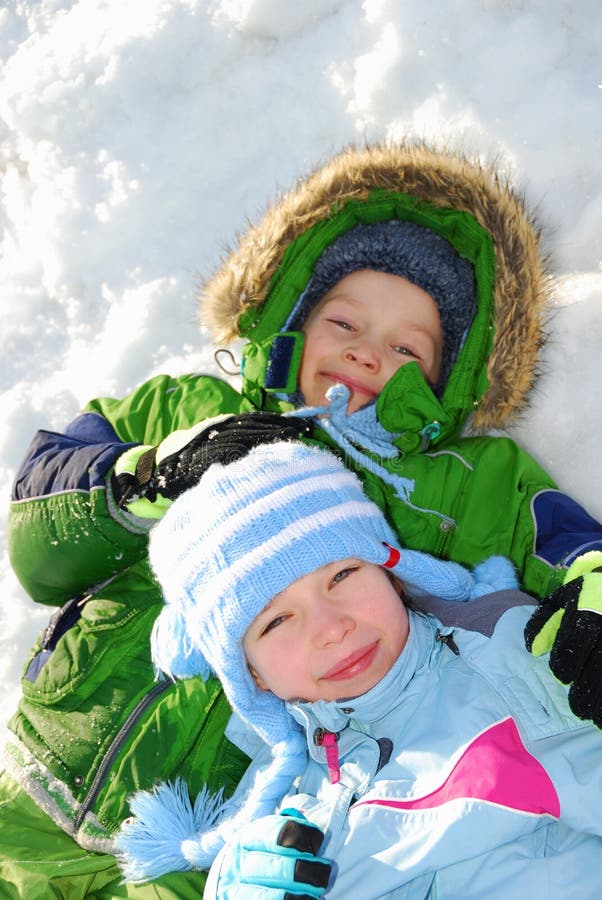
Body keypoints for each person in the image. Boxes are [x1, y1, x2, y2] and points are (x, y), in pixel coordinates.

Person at [2, 141, 602, 895]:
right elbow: (37, 545)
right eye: (344, 323)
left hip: (231, 831)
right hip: (51, 760)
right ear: (292, 313)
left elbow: (572, 552)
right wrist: (149, 475)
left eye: (405, 347)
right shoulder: (190, 410)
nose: (366, 355)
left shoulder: (467, 482)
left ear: (449, 377)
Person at [116, 440, 602, 898]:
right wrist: (231, 886)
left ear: (393, 574)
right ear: (252, 675)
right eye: (277, 620)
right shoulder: (273, 798)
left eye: (342, 575)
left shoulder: (508, 661)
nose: (332, 628)